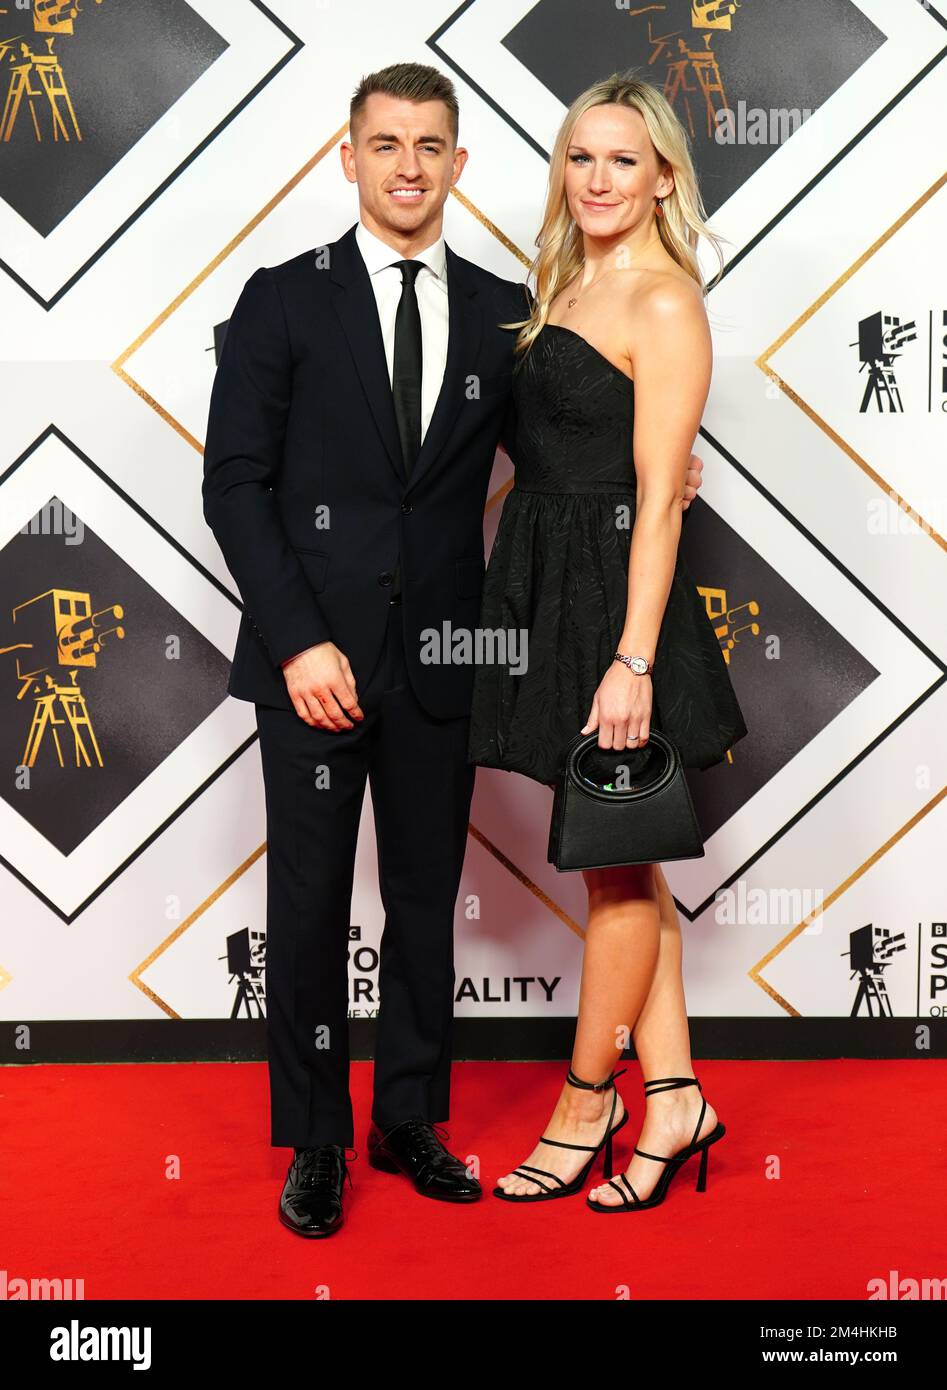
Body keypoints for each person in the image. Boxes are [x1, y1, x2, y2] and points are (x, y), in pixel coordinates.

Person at [202, 61, 707, 1238]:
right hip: (310, 664)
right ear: (348, 156)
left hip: (448, 654)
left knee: (425, 901)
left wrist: (667, 468)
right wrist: (297, 645)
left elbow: (582, 443)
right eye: (385, 144)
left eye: (430, 145)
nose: (408, 166)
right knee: (310, 906)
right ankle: (319, 1141)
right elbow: (234, 489)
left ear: (460, 165)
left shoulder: (504, 311)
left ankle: (408, 1118)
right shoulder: (281, 299)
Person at [467, 71, 748, 1211]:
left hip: (616, 603)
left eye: (622, 160)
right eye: (580, 157)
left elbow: (658, 498)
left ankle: (588, 1099)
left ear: (662, 176)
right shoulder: (562, 280)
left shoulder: (663, 299)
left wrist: (631, 659)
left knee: (614, 860)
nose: (596, 179)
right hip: (545, 581)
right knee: (619, 858)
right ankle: (674, 1092)